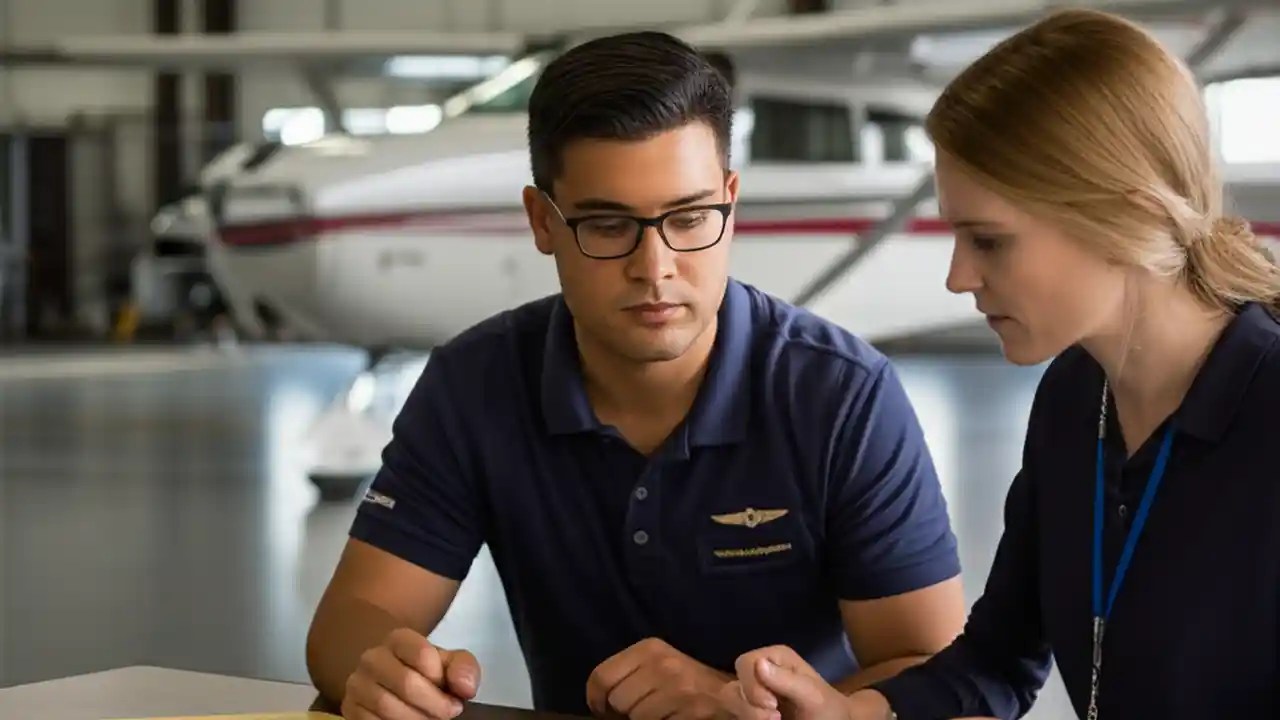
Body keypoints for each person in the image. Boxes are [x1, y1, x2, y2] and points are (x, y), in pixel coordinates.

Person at [305, 30, 967, 720]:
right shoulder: (474, 385)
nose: (655, 268)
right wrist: (386, 669)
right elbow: (355, 615)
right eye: (607, 225)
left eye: (689, 218)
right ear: (543, 221)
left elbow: (933, 675)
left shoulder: (843, 396)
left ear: (731, 204)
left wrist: (745, 707)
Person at [718, 7, 1280, 720]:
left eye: (989, 240)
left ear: (1127, 218)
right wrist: (847, 712)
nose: (958, 277)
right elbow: (997, 659)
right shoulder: (1076, 399)